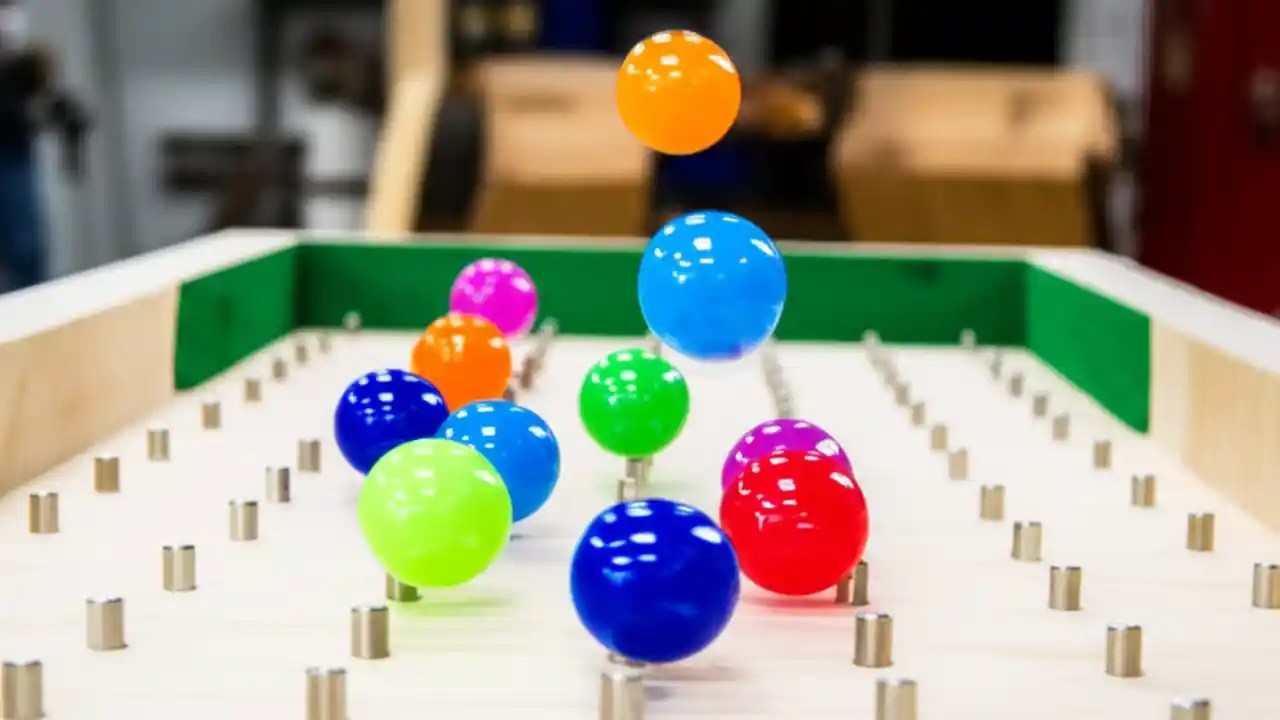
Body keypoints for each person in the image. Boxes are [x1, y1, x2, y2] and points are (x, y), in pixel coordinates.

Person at [0, 42, 87, 291]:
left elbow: (70, 116)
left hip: (15, 157)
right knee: (23, 248)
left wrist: (72, 155)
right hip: (10, 159)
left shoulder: (21, 73)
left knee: (26, 252)